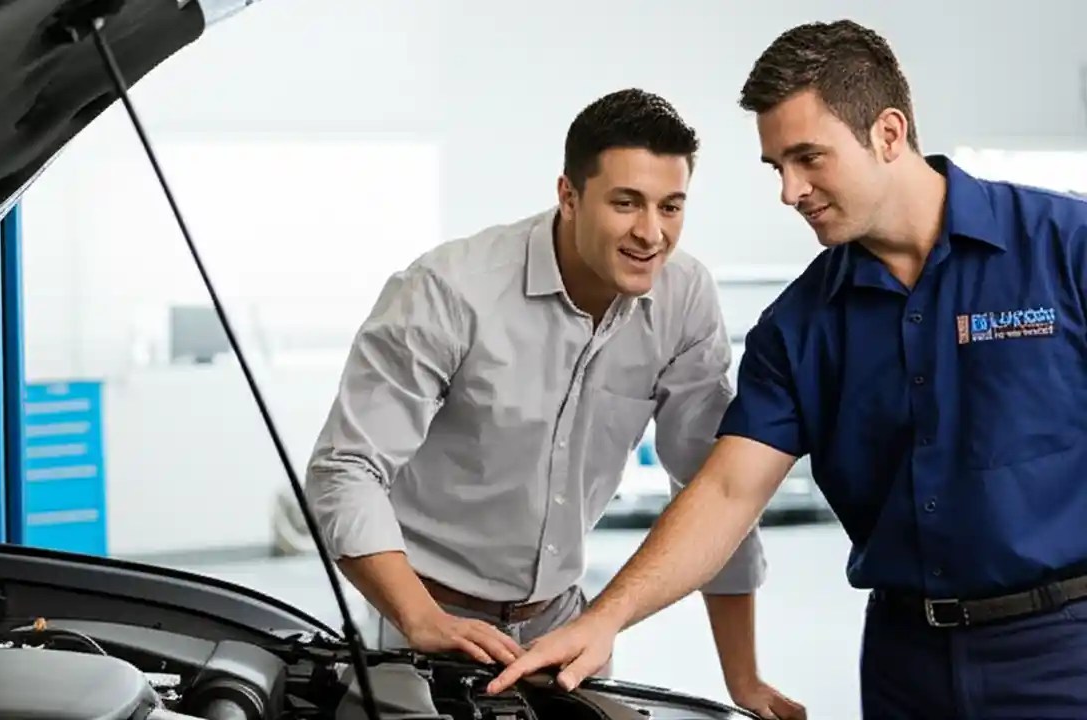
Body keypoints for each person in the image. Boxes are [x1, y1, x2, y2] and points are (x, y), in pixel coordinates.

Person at [488, 17, 1087, 720]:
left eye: (809, 158)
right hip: (905, 663)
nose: (790, 190)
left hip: (1064, 650)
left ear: (888, 134)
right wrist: (604, 619)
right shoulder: (799, 325)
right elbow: (727, 493)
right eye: (778, 166)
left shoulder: (1064, 248)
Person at [303, 88, 800, 715]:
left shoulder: (684, 297)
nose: (651, 233)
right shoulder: (449, 290)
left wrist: (743, 678)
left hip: (564, 627)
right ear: (569, 195)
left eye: (671, 207)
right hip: (423, 620)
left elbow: (716, 488)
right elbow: (345, 468)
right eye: (626, 202)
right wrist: (418, 616)